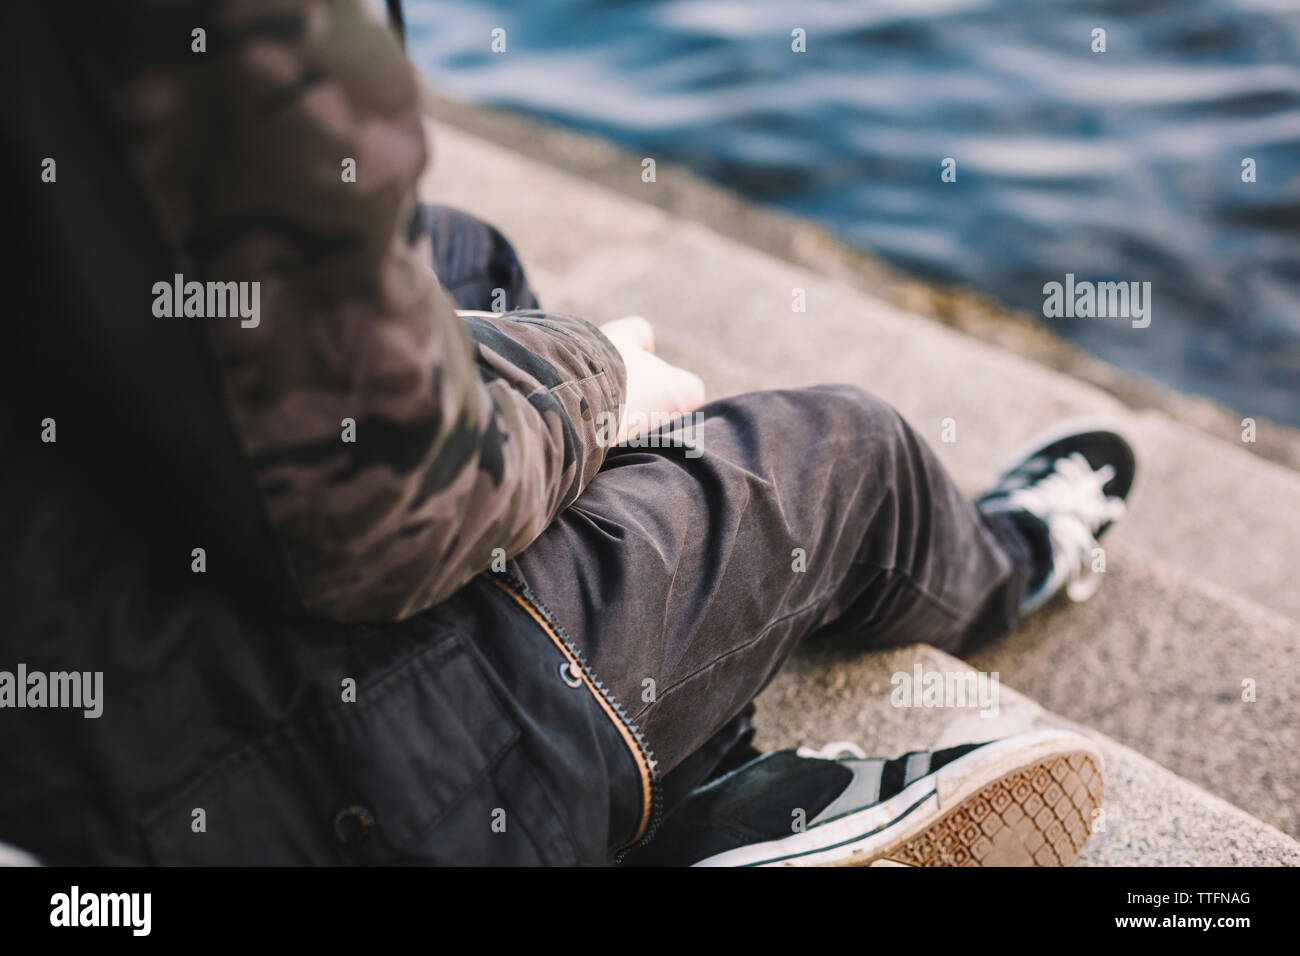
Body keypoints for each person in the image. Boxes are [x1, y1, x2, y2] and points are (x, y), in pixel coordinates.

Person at [0, 0, 1132, 867]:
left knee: (464, 255)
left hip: (65, 598)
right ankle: (1016, 558)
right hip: (228, 755)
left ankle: (686, 786)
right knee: (846, 456)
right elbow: (385, 515)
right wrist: (592, 382)